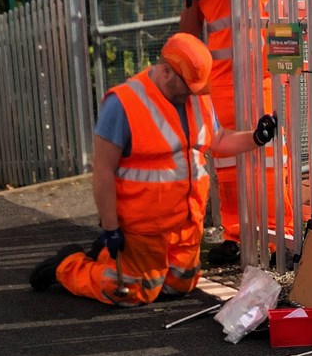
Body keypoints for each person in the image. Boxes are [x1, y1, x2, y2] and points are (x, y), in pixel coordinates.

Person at [29, 33, 278, 306]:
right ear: (166, 70)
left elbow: (217, 139)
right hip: (144, 228)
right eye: (187, 86)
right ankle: (67, 265)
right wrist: (111, 228)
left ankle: (111, 258)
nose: (191, 94)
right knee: (131, 292)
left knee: (181, 283)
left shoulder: (197, 97)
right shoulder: (123, 104)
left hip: (186, 224)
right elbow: (103, 170)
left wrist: (256, 138)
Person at [175, 0, 295, 265]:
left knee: (270, 159)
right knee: (227, 166)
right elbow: (188, 36)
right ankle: (235, 236)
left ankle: (278, 235)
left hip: (263, 77)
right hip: (222, 83)